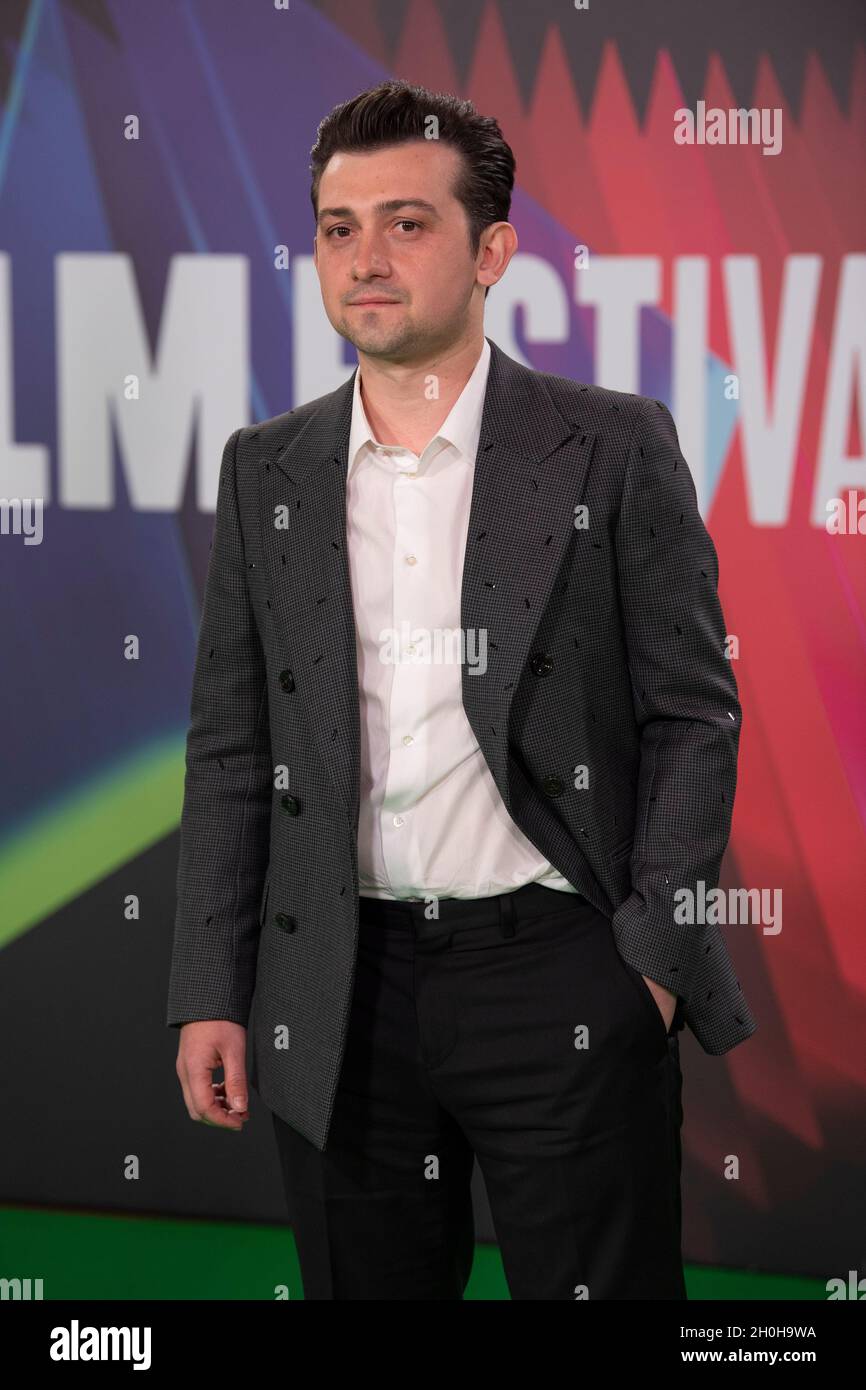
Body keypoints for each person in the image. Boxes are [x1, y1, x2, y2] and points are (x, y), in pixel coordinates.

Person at [167, 79, 756, 1300]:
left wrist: (646, 959)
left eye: (406, 223)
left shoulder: (610, 442)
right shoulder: (263, 466)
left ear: (493, 249)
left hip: (562, 972)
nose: (365, 259)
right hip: (336, 988)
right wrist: (211, 990)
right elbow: (233, 745)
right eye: (338, 228)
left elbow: (692, 712)